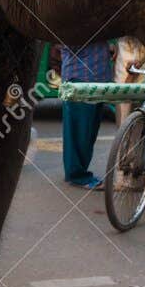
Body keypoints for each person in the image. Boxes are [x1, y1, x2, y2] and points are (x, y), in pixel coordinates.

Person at [60, 41, 113, 189]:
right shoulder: (78, 23)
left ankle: (75, 172)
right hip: (81, 79)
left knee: (88, 133)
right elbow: (71, 44)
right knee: (80, 132)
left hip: (96, 79)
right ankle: (78, 176)